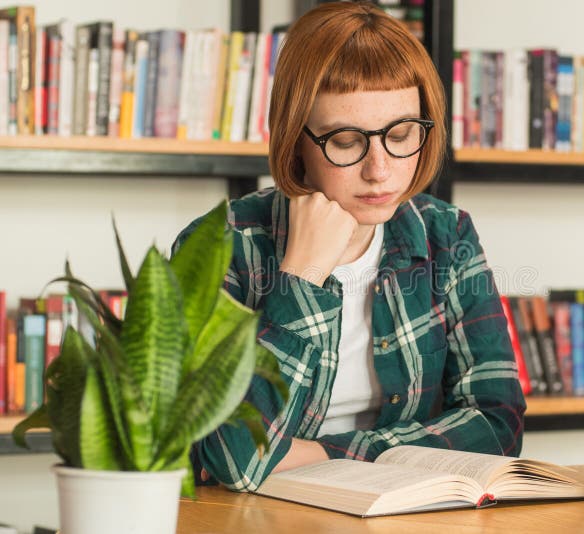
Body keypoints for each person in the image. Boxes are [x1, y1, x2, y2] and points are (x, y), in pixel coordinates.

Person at [173, 0, 526, 491]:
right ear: (296, 139)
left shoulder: (447, 234)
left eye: (402, 134)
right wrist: (302, 274)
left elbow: (498, 426)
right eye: (345, 141)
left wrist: (320, 455)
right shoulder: (220, 245)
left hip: (406, 515)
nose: (379, 169)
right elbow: (234, 459)